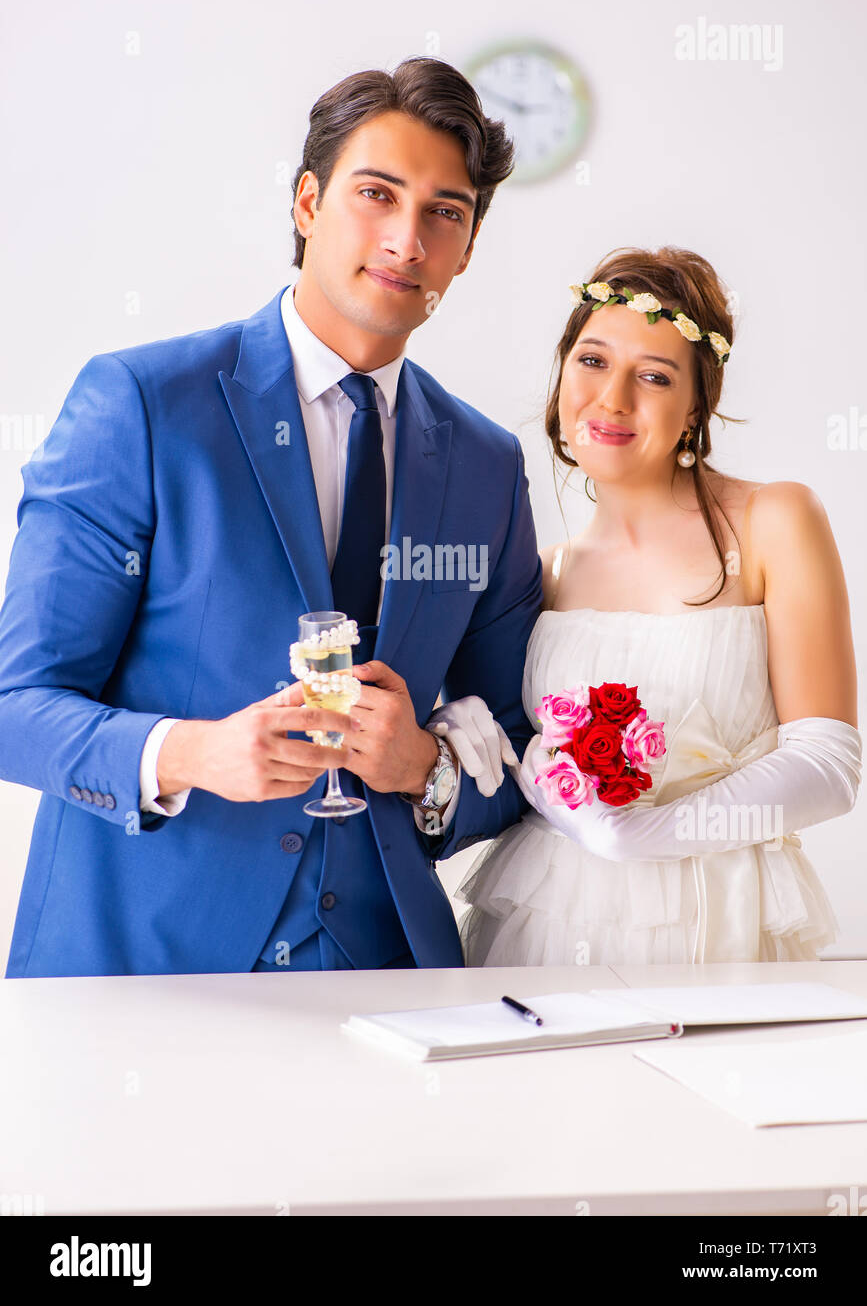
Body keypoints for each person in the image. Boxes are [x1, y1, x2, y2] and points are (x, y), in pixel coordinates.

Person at [0, 56, 542, 978]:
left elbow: (525, 750)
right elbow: (17, 706)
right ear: (306, 203)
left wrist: (423, 768)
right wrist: (191, 754)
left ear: (468, 246)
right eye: (377, 193)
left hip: (386, 974)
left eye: (444, 212)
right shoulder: (141, 401)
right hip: (143, 964)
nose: (407, 239)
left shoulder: (487, 466)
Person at [435, 246, 862, 964]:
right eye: (592, 361)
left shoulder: (773, 522)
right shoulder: (537, 577)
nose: (611, 400)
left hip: (720, 917)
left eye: (654, 377)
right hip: (548, 918)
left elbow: (828, 764)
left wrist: (643, 836)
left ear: (696, 404)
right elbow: (511, 755)